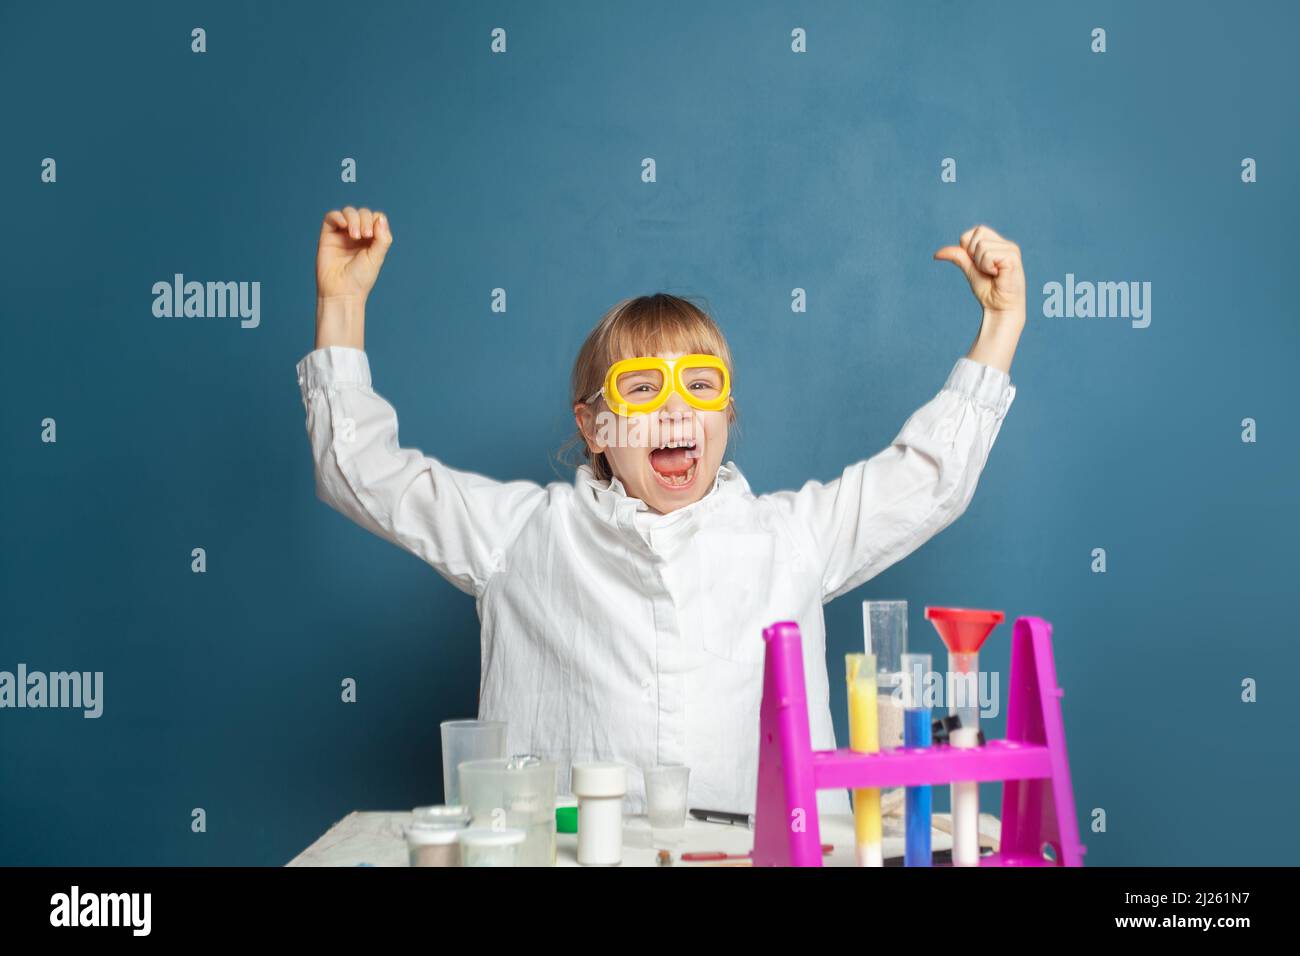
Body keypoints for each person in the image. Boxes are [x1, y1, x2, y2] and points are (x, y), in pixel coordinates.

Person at [297, 206, 1024, 816]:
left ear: (726, 414)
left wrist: (999, 326)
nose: (677, 408)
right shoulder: (520, 536)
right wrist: (343, 303)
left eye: (700, 387)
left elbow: (929, 478)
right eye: (643, 389)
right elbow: (360, 470)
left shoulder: (789, 538)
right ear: (594, 429)